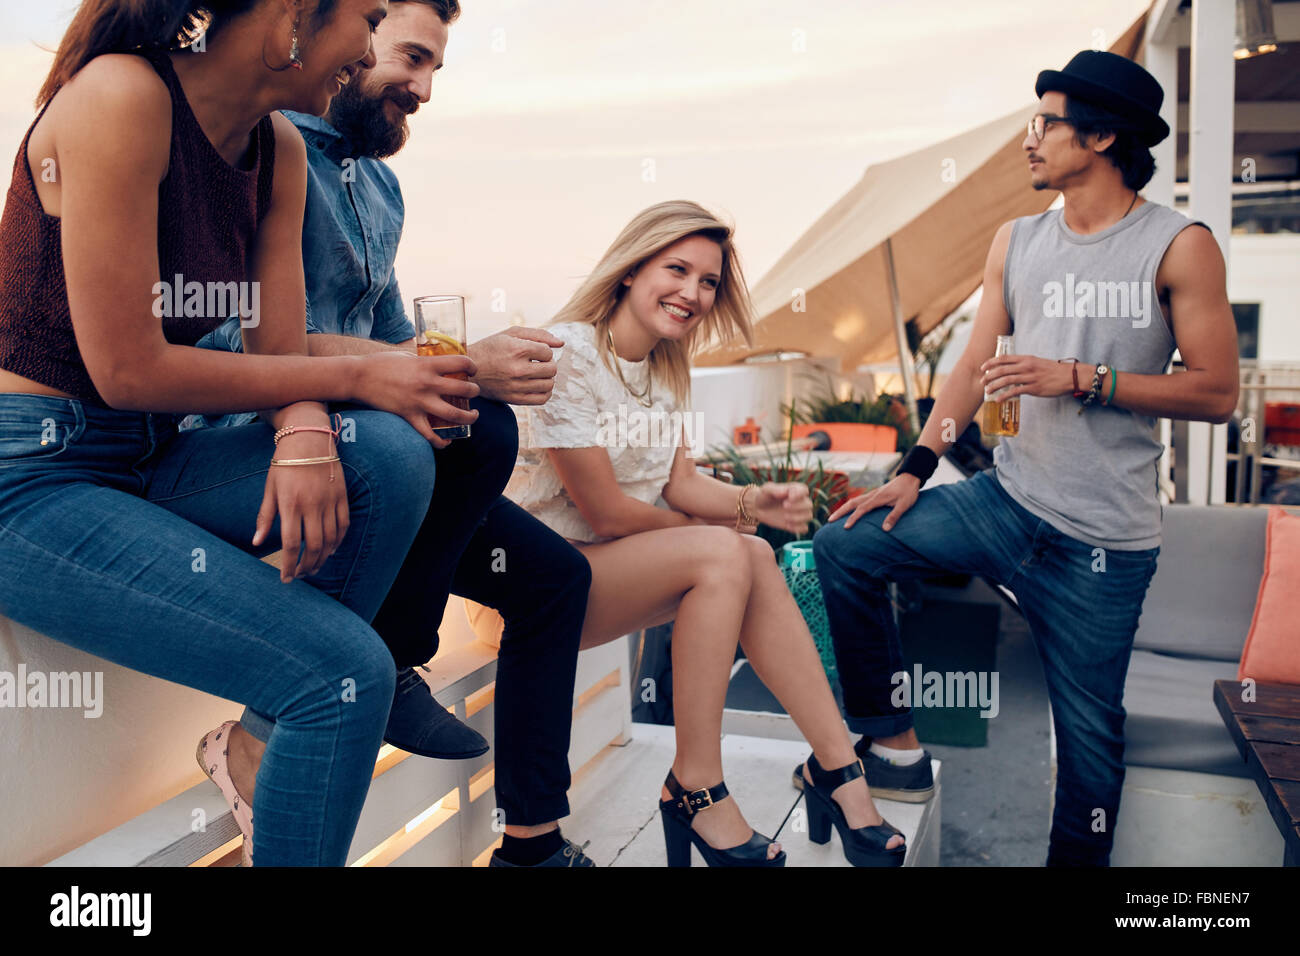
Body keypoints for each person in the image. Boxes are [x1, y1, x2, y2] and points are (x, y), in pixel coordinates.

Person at [0, 0, 485, 867]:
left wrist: (304, 430)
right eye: (368, 19)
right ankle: (292, 711)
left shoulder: (279, 150)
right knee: (342, 680)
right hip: (30, 478)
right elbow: (128, 369)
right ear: (291, 16)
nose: (370, 51)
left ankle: (260, 738)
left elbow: (276, 344)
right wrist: (358, 373)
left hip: (152, 455)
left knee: (385, 452)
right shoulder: (121, 97)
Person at [190, 0, 596, 867]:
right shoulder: (254, 151)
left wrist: (452, 367)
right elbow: (227, 339)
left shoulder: (380, 186)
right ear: (349, 36)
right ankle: (373, 665)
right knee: (468, 426)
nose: (422, 88)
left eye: (435, 70)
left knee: (555, 571)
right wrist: (450, 371)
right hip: (253, 437)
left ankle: (531, 840)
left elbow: (391, 343)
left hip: (374, 440)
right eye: (410, 56)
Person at [813, 51, 1240, 866]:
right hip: (1004, 503)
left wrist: (1084, 379)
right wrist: (912, 468)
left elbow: (1217, 393)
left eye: (1046, 122)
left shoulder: (1179, 246)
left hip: (1103, 546)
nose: (1029, 139)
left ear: (1103, 136)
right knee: (845, 546)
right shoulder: (1015, 239)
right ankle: (894, 742)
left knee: (1088, 749)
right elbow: (973, 366)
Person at [504, 200, 908, 867]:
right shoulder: (568, 355)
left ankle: (838, 772)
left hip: (611, 570)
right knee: (728, 553)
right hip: (539, 587)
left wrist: (754, 501)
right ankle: (698, 785)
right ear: (632, 268)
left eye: (709, 281)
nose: (692, 292)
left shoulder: (664, 367)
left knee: (746, 550)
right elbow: (605, 511)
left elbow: (680, 483)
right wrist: (709, 530)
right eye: (677, 269)